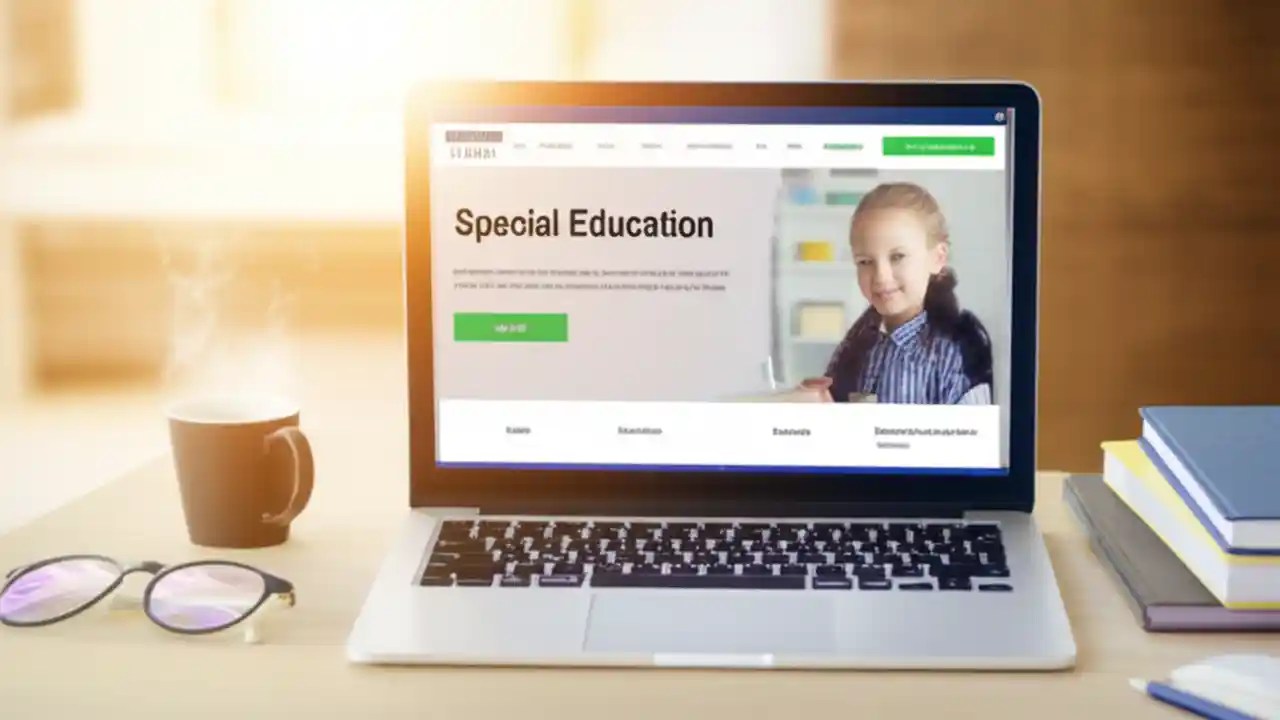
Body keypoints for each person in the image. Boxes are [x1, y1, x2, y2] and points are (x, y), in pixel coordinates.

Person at [800, 182, 994, 404]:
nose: (881, 276)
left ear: (938, 257)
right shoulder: (857, 344)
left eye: (897, 257)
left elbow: (975, 436)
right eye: (865, 261)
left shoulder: (953, 356)